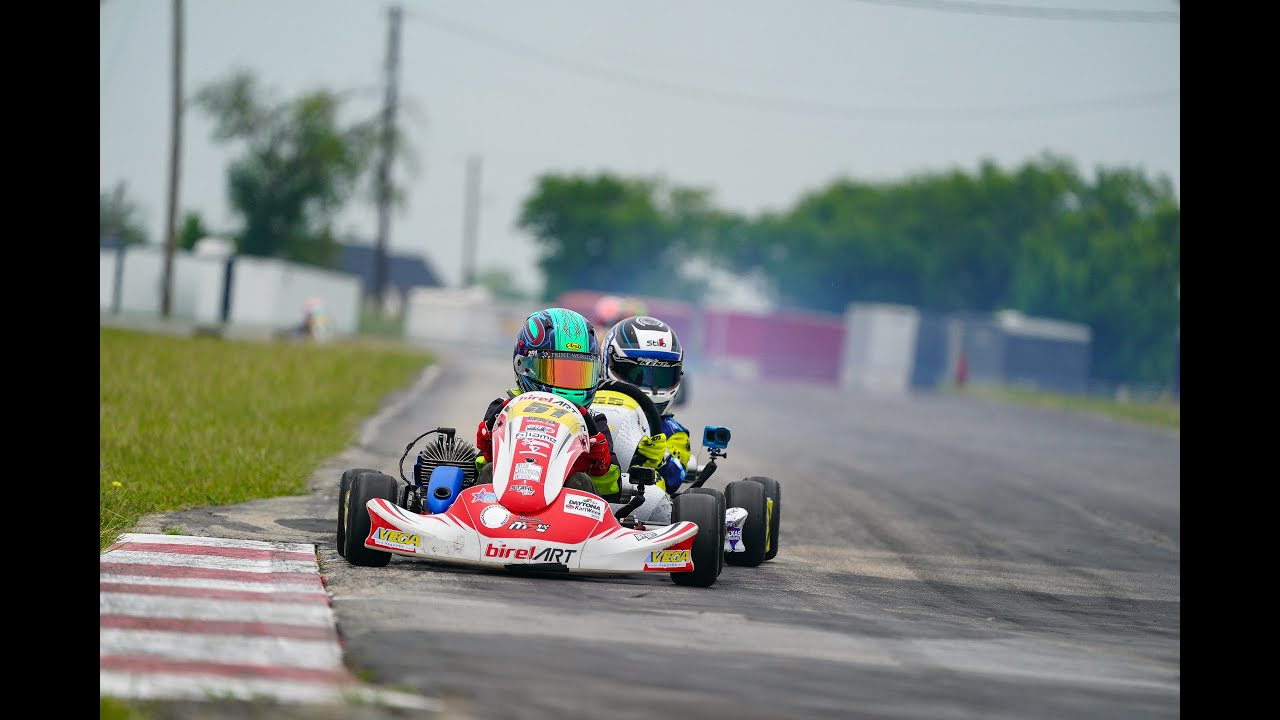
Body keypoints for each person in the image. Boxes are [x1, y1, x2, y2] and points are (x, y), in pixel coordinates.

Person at [474, 307, 624, 499]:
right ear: (524, 366)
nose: (567, 383)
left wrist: (600, 464)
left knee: (581, 482)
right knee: (488, 471)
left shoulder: (594, 422)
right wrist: (488, 450)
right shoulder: (503, 409)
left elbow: (612, 487)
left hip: (569, 510)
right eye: (556, 371)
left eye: (578, 373)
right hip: (503, 497)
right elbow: (478, 466)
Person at [600, 315, 692, 495]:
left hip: (638, 508)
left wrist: (661, 459)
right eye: (639, 374)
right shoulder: (588, 415)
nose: (650, 386)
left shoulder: (672, 432)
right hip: (585, 491)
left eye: (660, 376)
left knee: (654, 487)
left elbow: (676, 478)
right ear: (610, 363)